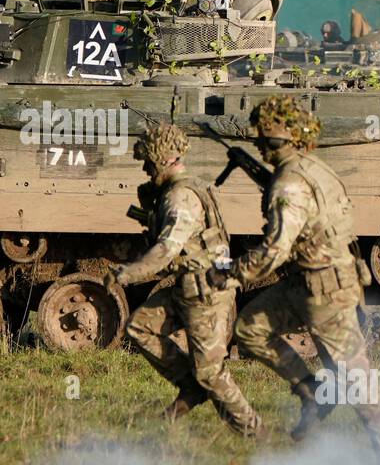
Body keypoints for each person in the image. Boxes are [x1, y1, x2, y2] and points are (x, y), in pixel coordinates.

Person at [212, 95, 380, 463]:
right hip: (309, 281)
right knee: (250, 327)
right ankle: (310, 390)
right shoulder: (312, 168)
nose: (260, 145)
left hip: (326, 290)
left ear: (278, 141)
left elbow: (275, 250)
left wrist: (229, 273)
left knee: (352, 372)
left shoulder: (289, 184)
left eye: (264, 140)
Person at [106, 122, 263, 437]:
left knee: (211, 373)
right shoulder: (182, 189)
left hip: (206, 294)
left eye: (149, 163)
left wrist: (127, 274)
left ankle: (253, 431)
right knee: (140, 326)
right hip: (187, 287)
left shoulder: (179, 197)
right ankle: (190, 389)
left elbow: (167, 249)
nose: (147, 170)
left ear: (163, 159)